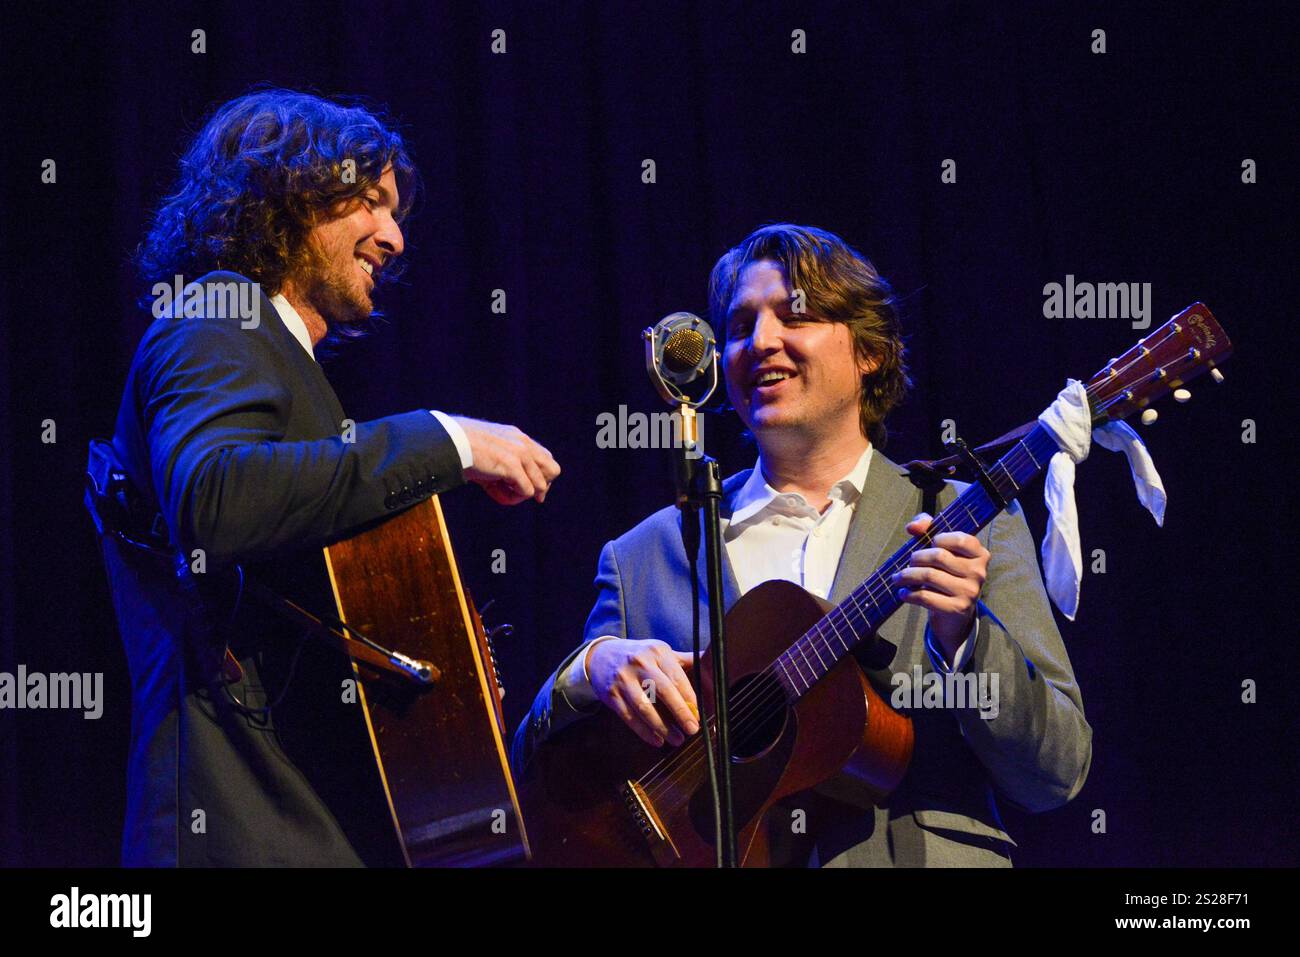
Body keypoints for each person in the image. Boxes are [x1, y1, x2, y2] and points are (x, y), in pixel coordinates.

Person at [513, 223, 1090, 866]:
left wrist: (966, 640)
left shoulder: (962, 519)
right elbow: (542, 784)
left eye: (797, 315)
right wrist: (587, 669)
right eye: (738, 327)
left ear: (869, 349)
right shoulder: (647, 554)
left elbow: (1057, 773)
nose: (761, 342)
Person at [98, 89, 560, 866]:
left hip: (304, 819)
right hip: (244, 825)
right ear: (290, 197)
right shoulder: (221, 311)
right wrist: (445, 439)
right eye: (371, 202)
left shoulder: (280, 357)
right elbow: (216, 498)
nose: (394, 235)